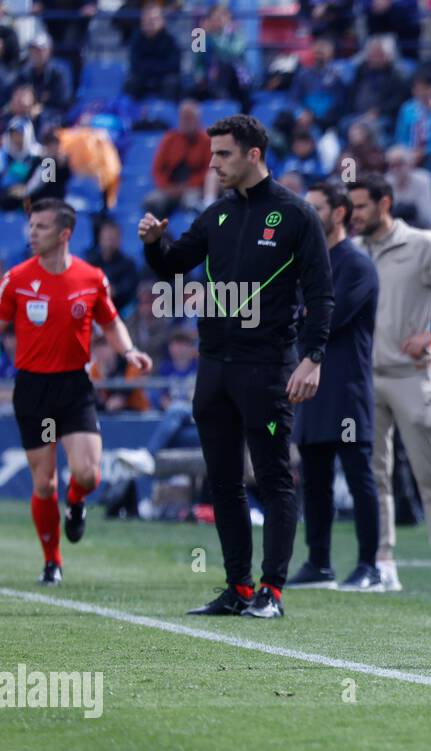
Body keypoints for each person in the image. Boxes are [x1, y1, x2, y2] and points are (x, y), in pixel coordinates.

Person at [139, 114, 334, 619]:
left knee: (273, 479)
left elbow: (320, 293)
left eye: (223, 154)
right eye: (213, 154)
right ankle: (238, 588)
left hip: (266, 366)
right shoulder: (217, 213)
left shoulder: (295, 216)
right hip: (214, 367)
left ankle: (273, 589)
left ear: (253, 155)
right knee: (222, 481)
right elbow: (173, 265)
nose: (214, 164)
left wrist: (312, 358)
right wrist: (153, 242)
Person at [0, 198, 152, 585]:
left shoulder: (91, 278)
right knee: (44, 482)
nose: (32, 233)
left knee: (86, 473)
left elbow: (111, 322)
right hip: (33, 389)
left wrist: (130, 350)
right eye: (31, 226)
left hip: (73, 386)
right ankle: (52, 560)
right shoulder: (16, 279)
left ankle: (77, 502)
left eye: (42, 227)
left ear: (65, 234)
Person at [348, 173, 431, 595]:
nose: (354, 215)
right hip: (365, 377)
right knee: (375, 475)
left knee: (430, 473)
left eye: (362, 206)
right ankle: (383, 562)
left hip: (410, 376)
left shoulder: (423, 245)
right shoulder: (353, 251)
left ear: (385, 203)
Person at [286, 180, 383, 593]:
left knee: (360, 476)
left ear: (339, 213)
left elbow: (328, 318)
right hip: (311, 384)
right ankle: (318, 561)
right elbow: (291, 313)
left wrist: (303, 314)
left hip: (346, 384)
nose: (308, 215)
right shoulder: (305, 261)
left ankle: (369, 566)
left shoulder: (356, 265)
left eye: (316, 208)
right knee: (315, 476)